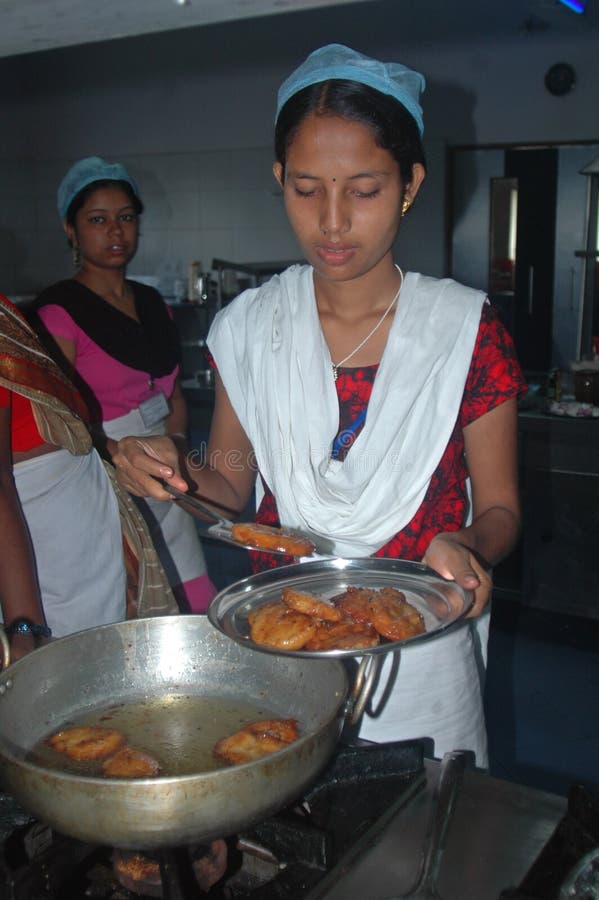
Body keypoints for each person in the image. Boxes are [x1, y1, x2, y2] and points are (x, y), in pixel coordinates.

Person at [112, 44, 526, 766]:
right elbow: (233, 477)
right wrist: (173, 464)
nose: (332, 222)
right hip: (283, 642)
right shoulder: (252, 327)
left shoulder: (463, 331)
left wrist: (470, 544)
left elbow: (500, 509)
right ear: (280, 179)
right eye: (306, 190)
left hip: (422, 651)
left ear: (408, 183)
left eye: (362, 190)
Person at [32, 157, 216, 613]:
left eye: (126, 218)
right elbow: (59, 416)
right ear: (70, 229)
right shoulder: (59, 312)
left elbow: (171, 395)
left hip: (163, 466)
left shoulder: (154, 304)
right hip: (101, 470)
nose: (116, 231)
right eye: (98, 220)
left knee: (194, 596)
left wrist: (174, 446)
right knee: (127, 601)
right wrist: (120, 455)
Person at [0, 294, 178, 661]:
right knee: (56, 683)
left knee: (106, 674)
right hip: (37, 550)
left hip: (86, 537)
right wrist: (25, 625)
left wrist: (114, 450)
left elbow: (63, 422)